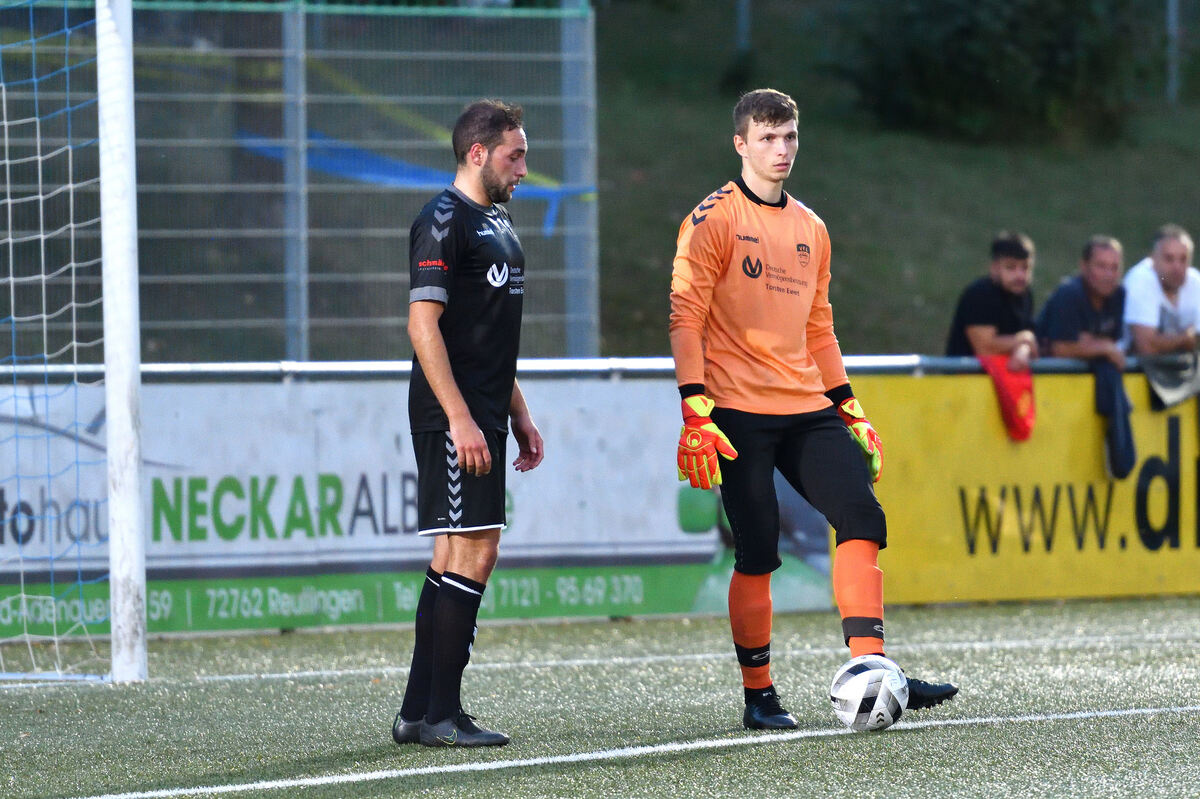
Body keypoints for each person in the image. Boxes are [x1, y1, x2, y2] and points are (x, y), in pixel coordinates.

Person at [669, 88, 957, 730]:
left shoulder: (812, 227)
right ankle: (760, 694)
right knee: (758, 549)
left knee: (860, 514)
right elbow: (685, 319)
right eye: (767, 138)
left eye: (790, 137)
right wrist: (695, 408)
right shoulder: (709, 220)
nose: (781, 150)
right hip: (735, 413)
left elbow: (820, 327)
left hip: (806, 406)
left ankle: (874, 669)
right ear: (740, 144)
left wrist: (849, 407)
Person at [392, 99, 544, 748]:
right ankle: (442, 716)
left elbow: (488, 337)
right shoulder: (442, 220)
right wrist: (460, 418)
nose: (525, 168)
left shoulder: (499, 220)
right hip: (454, 413)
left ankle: (416, 711)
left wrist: (520, 413)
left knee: (452, 551)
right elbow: (423, 324)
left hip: (485, 409)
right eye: (515, 155)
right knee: (477, 546)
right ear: (476, 153)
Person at [945, 232, 1039, 370]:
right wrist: (1023, 340)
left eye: (1025, 267)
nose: (1020, 275)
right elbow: (985, 348)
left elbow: (1031, 344)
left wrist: (1023, 346)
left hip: (1003, 382)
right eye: (1011, 267)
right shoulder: (980, 294)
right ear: (994, 268)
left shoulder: (1025, 295)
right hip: (964, 381)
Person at [1036, 235, 1126, 368]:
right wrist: (1104, 347)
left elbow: (1112, 341)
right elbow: (1060, 349)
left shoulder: (1118, 294)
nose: (1109, 275)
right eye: (1101, 266)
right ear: (1084, 266)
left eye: (1115, 267)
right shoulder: (1069, 293)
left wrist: (1087, 344)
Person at [1122, 224, 1199, 356]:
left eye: (1183, 259)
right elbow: (1146, 347)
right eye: (1169, 259)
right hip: (1133, 371)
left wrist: (1163, 342)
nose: (1177, 267)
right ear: (1153, 259)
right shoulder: (1140, 280)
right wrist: (1186, 339)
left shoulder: (1195, 281)